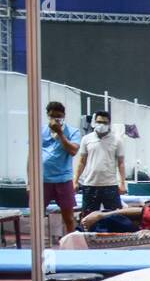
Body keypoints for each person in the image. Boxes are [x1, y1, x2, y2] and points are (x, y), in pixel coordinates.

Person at [75, 110, 127, 222]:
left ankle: (115, 239)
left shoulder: (117, 140)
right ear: (94, 122)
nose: (101, 125)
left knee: (116, 218)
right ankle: (87, 239)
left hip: (110, 185)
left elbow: (121, 163)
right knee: (87, 219)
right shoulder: (86, 139)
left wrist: (123, 183)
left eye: (104, 123)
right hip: (90, 185)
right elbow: (81, 162)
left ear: (109, 124)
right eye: (99, 122)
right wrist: (75, 181)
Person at [41, 101, 82, 236]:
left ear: (64, 115)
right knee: (37, 216)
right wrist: (30, 181)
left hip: (63, 179)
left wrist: (60, 133)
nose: (55, 119)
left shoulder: (72, 131)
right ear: (48, 115)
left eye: (59, 116)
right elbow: (31, 156)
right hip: (43, 180)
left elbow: (73, 151)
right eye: (52, 116)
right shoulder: (40, 131)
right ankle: (38, 243)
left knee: (68, 218)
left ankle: (71, 245)